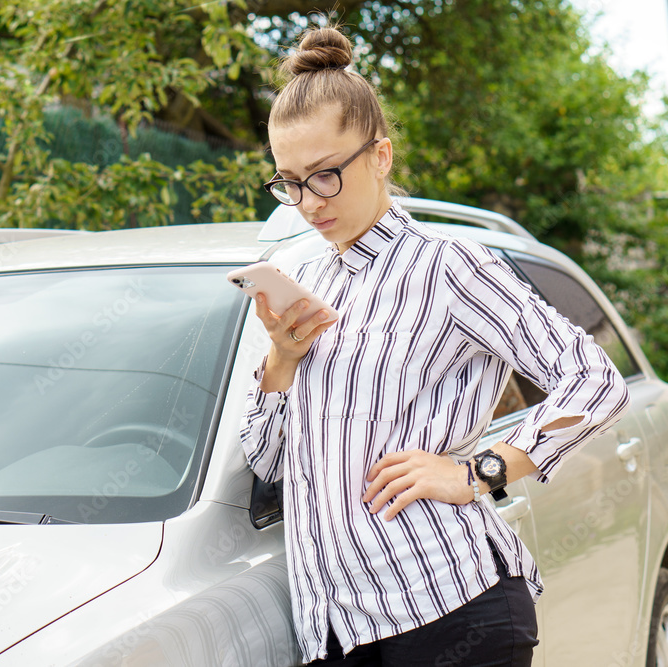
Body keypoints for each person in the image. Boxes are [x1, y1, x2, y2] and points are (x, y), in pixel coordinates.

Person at [240, 26, 630, 666]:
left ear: (381, 156)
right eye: (289, 182)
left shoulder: (448, 267)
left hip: (447, 612)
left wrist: (478, 472)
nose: (308, 203)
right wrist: (281, 361)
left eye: (326, 175)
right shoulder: (301, 280)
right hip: (335, 629)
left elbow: (594, 381)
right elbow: (267, 461)